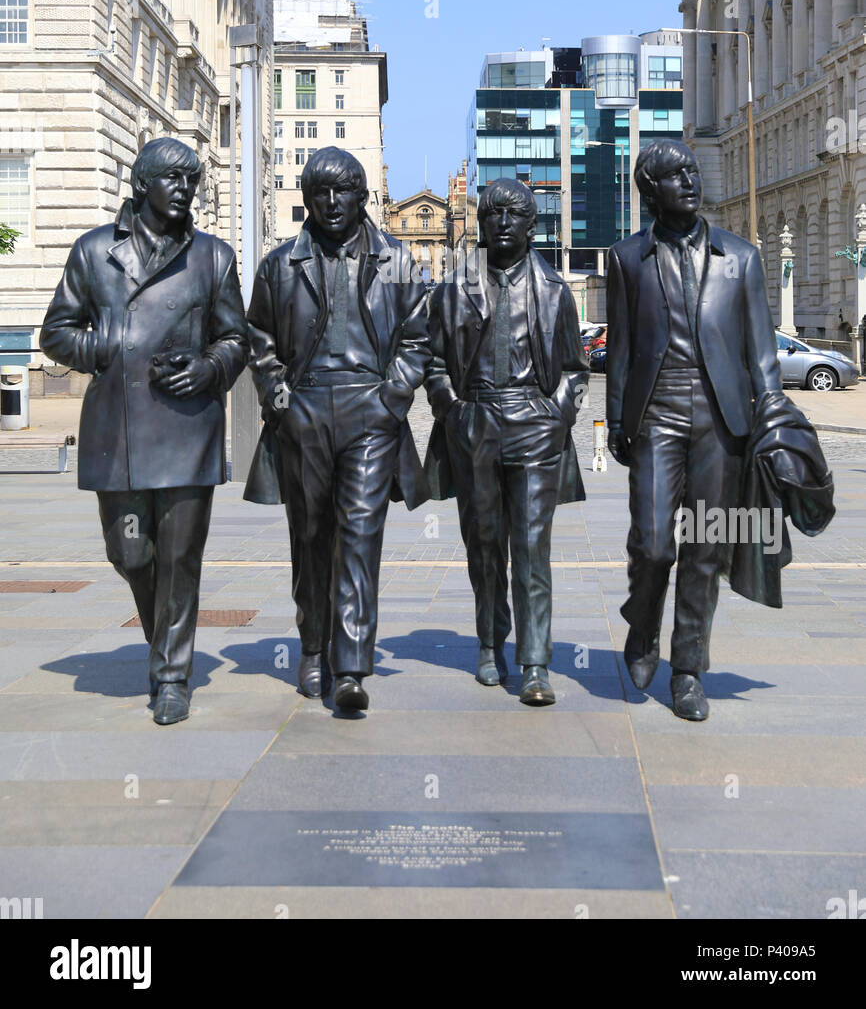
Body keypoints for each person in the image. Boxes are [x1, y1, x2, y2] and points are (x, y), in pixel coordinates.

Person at [40, 138, 249, 725]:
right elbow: (55, 333)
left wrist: (210, 367)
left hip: (188, 429)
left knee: (181, 559)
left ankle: (171, 675)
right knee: (131, 553)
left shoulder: (213, 257)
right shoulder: (94, 252)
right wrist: (103, 345)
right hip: (120, 433)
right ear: (142, 186)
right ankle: (164, 646)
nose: (185, 189)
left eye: (192, 180)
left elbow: (237, 339)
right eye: (173, 179)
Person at [244, 147, 430, 711]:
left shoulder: (397, 261)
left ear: (363, 196)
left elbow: (418, 339)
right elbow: (260, 341)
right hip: (303, 412)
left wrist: (391, 397)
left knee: (358, 535)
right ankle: (311, 645)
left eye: (342, 190)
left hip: (370, 412)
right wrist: (282, 403)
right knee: (310, 536)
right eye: (319, 192)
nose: (330, 202)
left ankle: (349, 666)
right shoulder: (281, 265)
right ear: (305, 199)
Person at [605, 139, 781, 721]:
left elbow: (762, 355)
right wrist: (615, 420)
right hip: (656, 414)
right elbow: (623, 348)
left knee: (705, 548)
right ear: (649, 191)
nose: (690, 181)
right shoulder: (628, 259)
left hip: (720, 419)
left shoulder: (742, 257)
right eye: (674, 175)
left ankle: (687, 671)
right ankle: (642, 624)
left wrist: (772, 418)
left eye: (692, 172)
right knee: (653, 545)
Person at [425, 178, 589, 705]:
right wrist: (452, 409)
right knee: (485, 546)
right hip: (476, 421)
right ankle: (490, 641)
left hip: (534, 426)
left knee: (532, 547)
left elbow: (574, 368)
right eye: (491, 212)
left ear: (531, 226)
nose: (500, 222)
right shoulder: (455, 286)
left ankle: (535, 661)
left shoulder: (554, 290)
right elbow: (431, 360)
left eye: (512, 214)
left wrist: (556, 415)